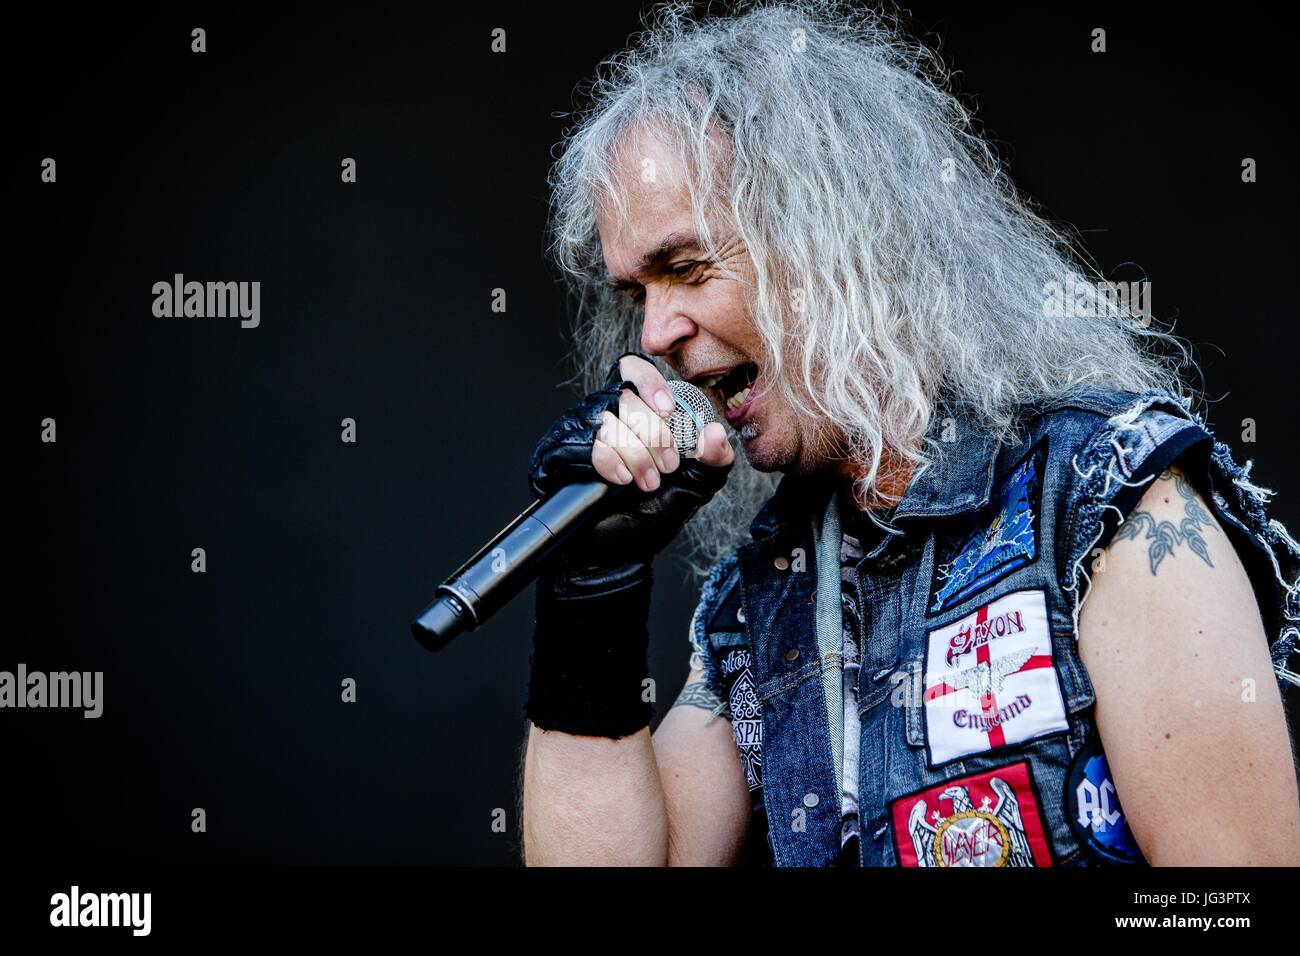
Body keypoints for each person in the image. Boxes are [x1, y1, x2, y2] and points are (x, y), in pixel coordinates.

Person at [518, 1, 1300, 866]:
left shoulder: (1104, 498)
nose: (653, 336)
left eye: (688, 268)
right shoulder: (766, 590)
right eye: (638, 293)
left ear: (834, 235)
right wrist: (589, 594)